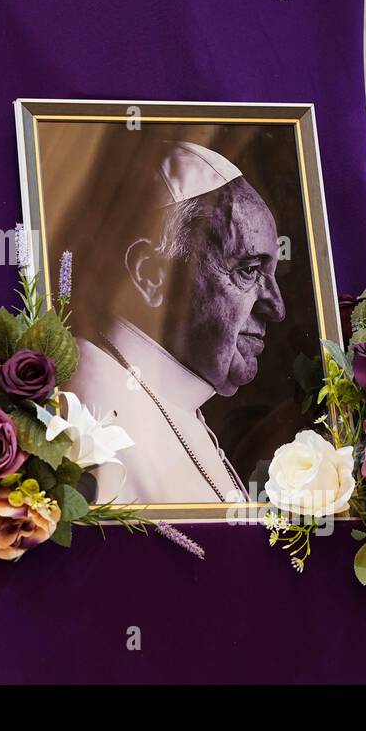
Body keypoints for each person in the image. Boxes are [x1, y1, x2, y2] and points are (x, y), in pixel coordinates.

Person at [69, 141, 285, 505]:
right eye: (248, 270)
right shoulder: (89, 403)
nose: (277, 308)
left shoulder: (176, 399)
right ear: (152, 275)